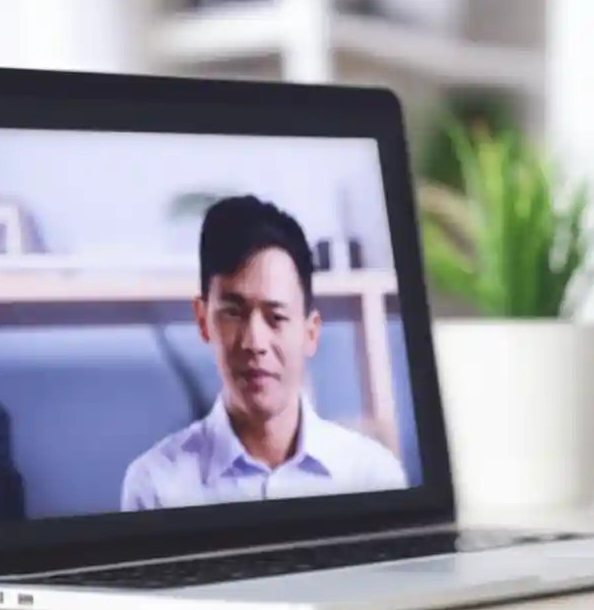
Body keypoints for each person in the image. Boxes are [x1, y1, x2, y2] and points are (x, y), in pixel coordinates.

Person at [121, 195, 407, 510]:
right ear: (203, 321)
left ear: (310, 332)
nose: (254, 342)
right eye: (233, 313)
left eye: (277, 317)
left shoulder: (372, 476)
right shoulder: (156, 485)